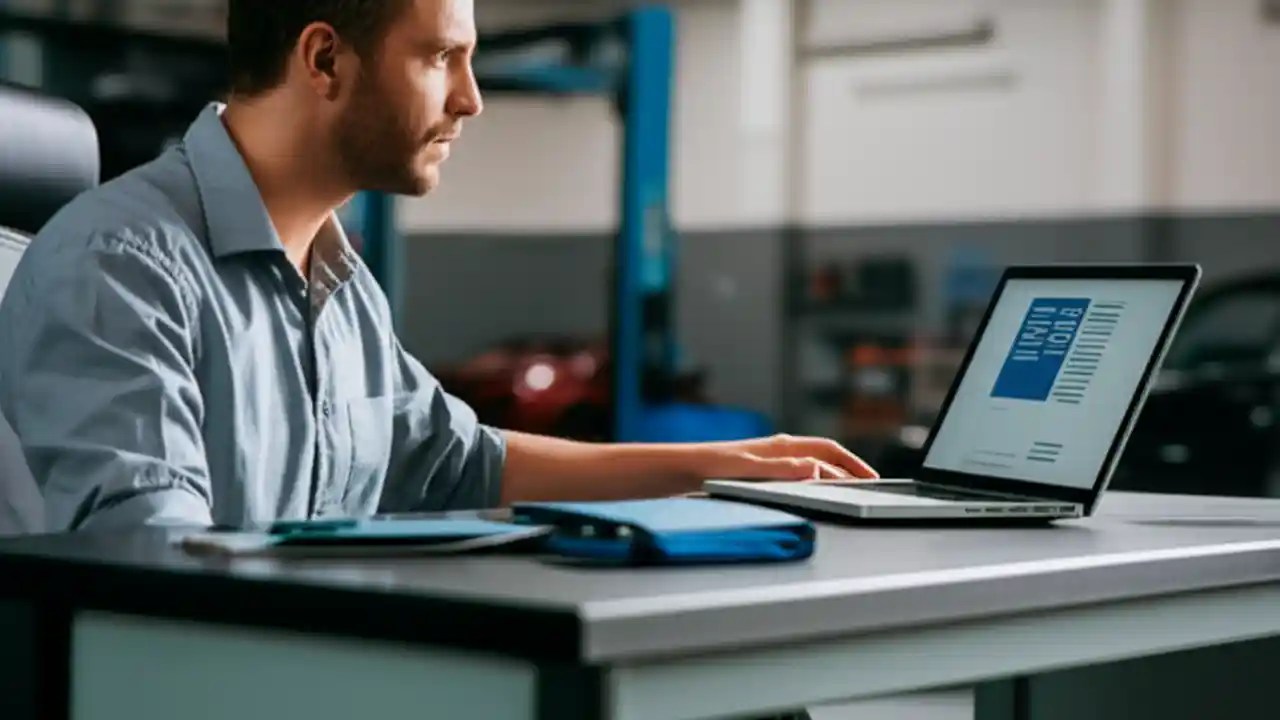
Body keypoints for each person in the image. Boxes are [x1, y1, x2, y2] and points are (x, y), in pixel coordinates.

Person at [0, 0, 875, 533]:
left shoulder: (342, 291)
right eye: (440, 56)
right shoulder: (121, 266)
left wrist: (720, 465)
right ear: (325, 60)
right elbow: (148, 574)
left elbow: (461, 462)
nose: (471, 96)